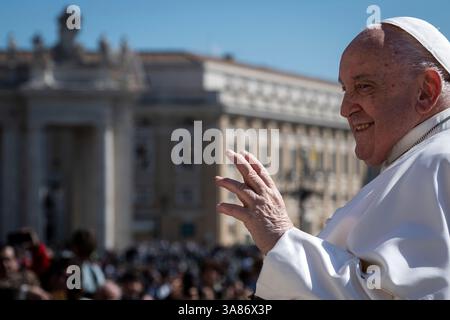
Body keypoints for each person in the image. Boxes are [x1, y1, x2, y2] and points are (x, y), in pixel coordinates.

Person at [215, 17, 450, 299]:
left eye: (363, 87)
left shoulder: (437, 163)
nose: (344, 108)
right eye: (344, 90)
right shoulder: (416, 161)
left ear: (426, 91)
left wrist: (281, 239)